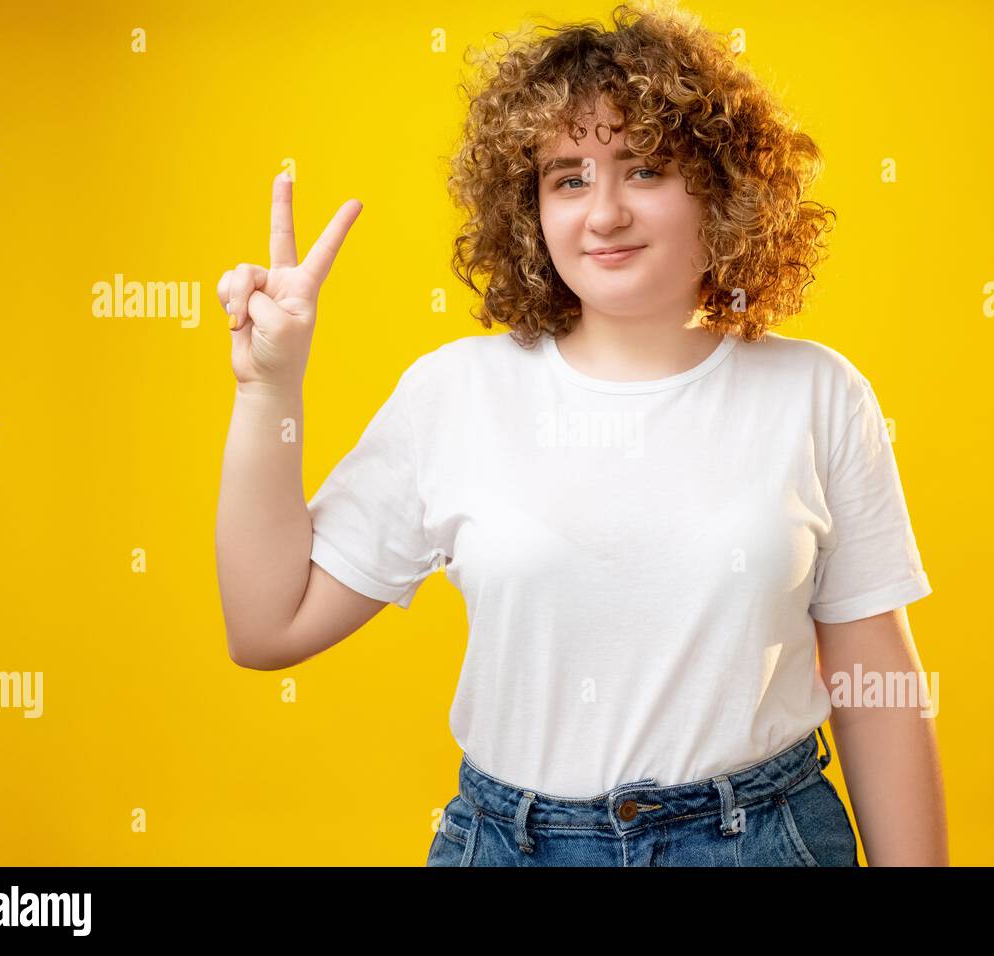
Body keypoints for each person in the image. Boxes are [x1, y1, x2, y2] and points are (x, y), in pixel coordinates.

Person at [215, 0, 948, 867]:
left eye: (643, 169)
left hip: (758, 841)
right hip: (510, 844)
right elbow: (268, 627)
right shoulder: (456, 392)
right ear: (529, 210)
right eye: (567, 176)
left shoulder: (818, 393)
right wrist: (269, 386)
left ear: (720, 189)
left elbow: (875, 687)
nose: (603, 213)